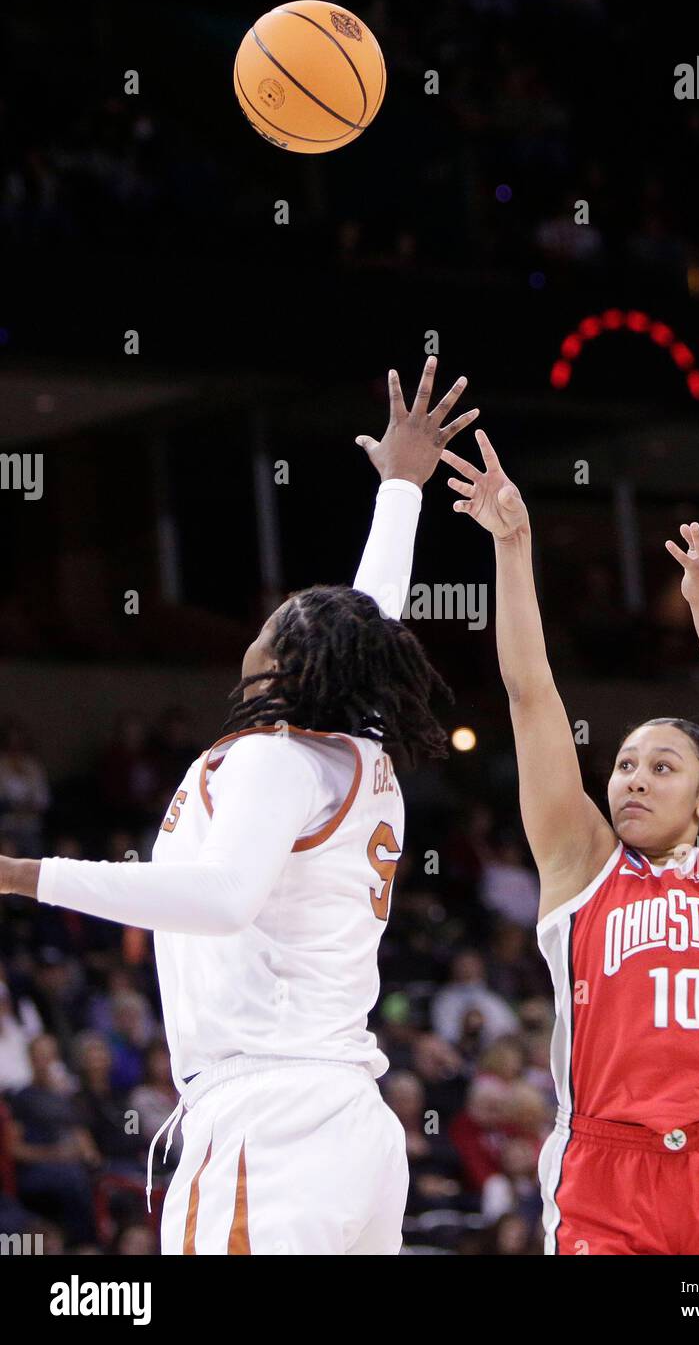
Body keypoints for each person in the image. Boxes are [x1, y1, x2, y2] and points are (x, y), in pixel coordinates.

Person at [0, 357, 478, 1256]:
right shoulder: (356, 747)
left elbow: (223, 899)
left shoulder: (276, 756)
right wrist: (403, 491)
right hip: (340, 1118)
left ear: (291, 665)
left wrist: (26, 875)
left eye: (275, 620)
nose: (257, 625)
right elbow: (373, 615)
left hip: (271, 1119)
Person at [439, 429, 699, 1256]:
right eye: (623, 765)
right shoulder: (579, 865)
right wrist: (513, 548)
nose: (633, 780)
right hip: (604, 1174)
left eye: (662, 767)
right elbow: (529, 695)